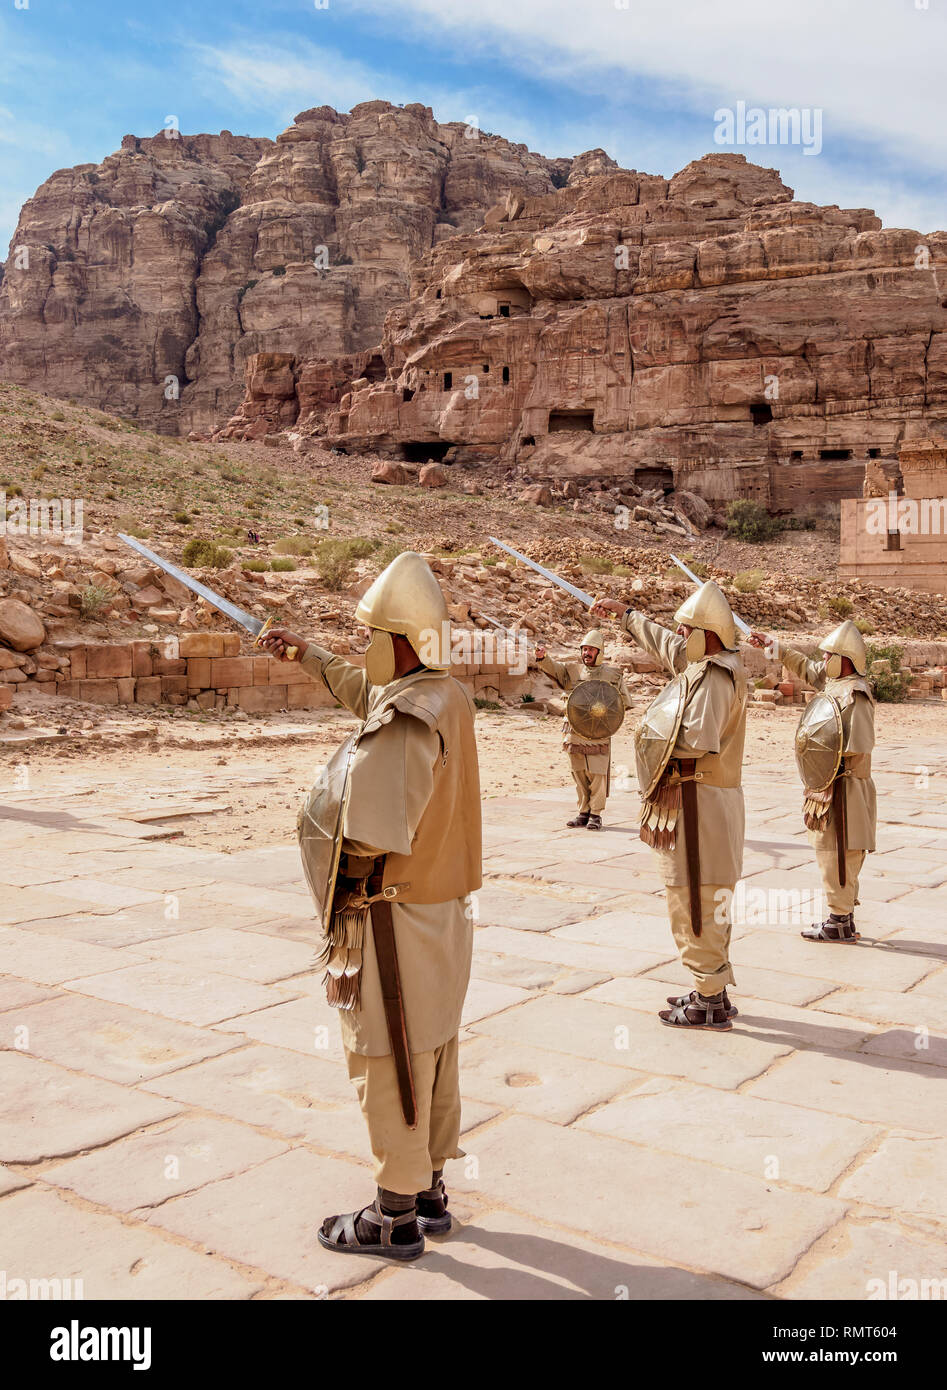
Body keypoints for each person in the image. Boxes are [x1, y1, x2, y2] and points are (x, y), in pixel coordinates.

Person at [262, 551, 482, 1260]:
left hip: (391, 916)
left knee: (386, 1055)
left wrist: (342, 887)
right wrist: (307, 654)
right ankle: (428, 1190)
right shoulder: (442, 693)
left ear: (402, 642)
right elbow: (371, 693)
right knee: (433, 1048)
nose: (363, 649)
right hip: (440, 909)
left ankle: (392, 1215)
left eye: (369, 636)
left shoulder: (409, 718)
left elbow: (366, 829)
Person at [593, 582, 747, 1030]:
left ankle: (708, 999)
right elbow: (666, 645)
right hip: (698, 798)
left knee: (694, 898)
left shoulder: (716, 676)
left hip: (698, 800)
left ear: (705, 634)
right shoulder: (708, 664)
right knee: (697, 896)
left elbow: (692, 741)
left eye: (687, 632)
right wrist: (627, 614)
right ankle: (710, 986)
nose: (679, 638)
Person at [749, 619, 876, 942]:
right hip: (829, 787)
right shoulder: (834, 683)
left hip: (845, 787)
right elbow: (805, 666)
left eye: (828, 656)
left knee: (841, 852)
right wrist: (772, 645)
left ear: (843, 659)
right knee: (828, 850)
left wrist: (833, 778)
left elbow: (857, 747)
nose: (823, 661)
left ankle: (838, 921)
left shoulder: (855, 693)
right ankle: (842, 918)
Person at [533, 629, 630, 829]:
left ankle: (595, 814)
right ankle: (583, 811)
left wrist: (603, 713)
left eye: (591, 649)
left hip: (598, 732)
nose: (586, 653)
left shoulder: (612, 675)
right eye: (584, 649)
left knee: (597, 773)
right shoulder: (572, 671)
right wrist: (542, 657)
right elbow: (554, 668)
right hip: (574, 731)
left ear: (599, 652)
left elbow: (622, 703)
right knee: (578, 772)